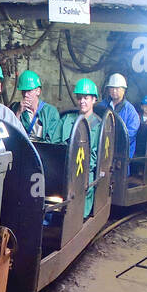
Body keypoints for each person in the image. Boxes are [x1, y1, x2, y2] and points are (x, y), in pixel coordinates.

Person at [59, 78, 103, 218]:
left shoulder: (99, 125)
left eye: (86, 98)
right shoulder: (67, 120)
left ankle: (80, 217)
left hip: (84, 170)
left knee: (83, 186)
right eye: (79, 98)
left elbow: (95, 157)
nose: (82, 101)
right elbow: (58, 143)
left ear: (94, 99)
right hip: (64, 167)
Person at [11, 69, 63, 142]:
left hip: (44, 150)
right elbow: (11, 134)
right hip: (23, 149)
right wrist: (19, 112)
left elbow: (53, 140)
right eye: (23, 91)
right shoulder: (15, 107)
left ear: (38, 91)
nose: (25, 95)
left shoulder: (51, 112)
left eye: (29, 91)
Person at [99, 72, 140, 163]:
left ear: (124, 90)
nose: (114, 91)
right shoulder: (102, 106)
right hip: (103, 152)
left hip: (122, 155)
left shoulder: (130, 111)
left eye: (117, 88)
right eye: (112, 88)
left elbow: (130, 134)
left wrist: (111, 142)